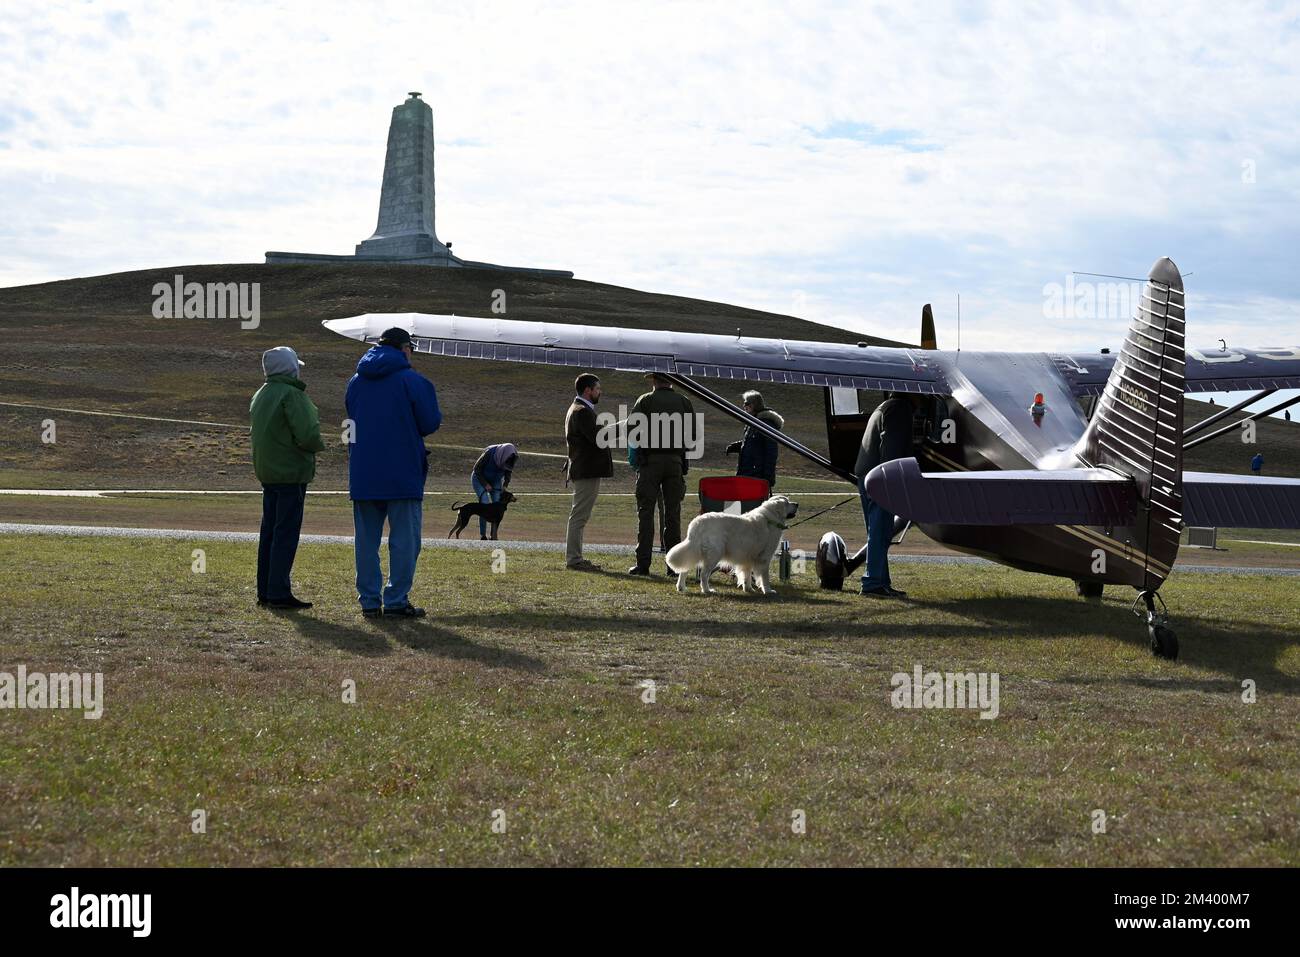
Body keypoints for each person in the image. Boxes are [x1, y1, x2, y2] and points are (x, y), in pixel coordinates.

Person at [344, 327, 442, 618]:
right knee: (405, 541)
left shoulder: (355, 382)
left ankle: (370, 602)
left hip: (363, 471)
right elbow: (429, 423)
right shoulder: (413, 381)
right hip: (402, 471)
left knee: (366, 542)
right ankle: (397, 599)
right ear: (404, 349)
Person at [250, 346, 325, 609]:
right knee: (286, 533)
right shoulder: (292, 395)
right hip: (290, 472)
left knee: (269, 532)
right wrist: (319, 444)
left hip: (268, 472)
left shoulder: (262, 394)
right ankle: (279, 592)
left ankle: (266, 591)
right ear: (290, 367)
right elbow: (308, 435)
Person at [628, 372, 694, 576]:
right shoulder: (684, 401)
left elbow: (632, 431)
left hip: (650, 463)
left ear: (654, 382)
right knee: (672, 514)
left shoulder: (645, 400)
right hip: (674, 462)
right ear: (671, 382)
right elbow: (692, 436)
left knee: (646, 512)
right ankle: (673, 566)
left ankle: (643, 564)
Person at [855, 393, 920, 598]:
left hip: (867, 472)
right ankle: (873, 582)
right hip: (881, 476)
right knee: (880, 531)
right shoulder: (900, 409)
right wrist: (893, 478)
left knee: (877, 531)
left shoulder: (884, 406)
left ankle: (880, 581)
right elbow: (891, 448)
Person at [565, 373, 612, 570]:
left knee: (579, 515)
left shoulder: (578, 409)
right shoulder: (582, 411)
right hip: (586, 470)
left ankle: (576, 557)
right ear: (588, 390)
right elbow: (598, 438)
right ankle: (574, 559)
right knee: (579, 516)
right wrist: (621, 428)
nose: (600, 392)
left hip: (583, 469)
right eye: (597, 388)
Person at [726, 389, 783, 509]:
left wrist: (768, 477)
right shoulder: (753, 422)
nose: (744, 406)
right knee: (742, 508)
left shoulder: (765, 424)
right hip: (747, 472)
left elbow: (771, 451)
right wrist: (738, 446)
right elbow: (754, 443)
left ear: (753, 405)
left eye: (746, 404)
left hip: (757, 475)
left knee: (753, 510)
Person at [471, 443, 518, 539]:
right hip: (479, 479)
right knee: (484, 503)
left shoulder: (511, 458)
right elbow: (476, 469)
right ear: (504, 456)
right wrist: (485, 484)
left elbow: (508, 472)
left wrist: (505, 485)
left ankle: (493, 536)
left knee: (498, 507)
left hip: (495, 481)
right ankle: (483, 535)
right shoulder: (489, 453)